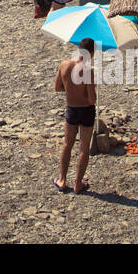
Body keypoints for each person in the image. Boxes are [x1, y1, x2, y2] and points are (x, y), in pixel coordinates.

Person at [53, 38, 96, 193]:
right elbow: (92, 99)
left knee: (67, 144)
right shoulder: (88, 71)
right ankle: (78, 184)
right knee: (84, 148)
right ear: (91, 53)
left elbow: (58, 87)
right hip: (86, 111)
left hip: (71, 109)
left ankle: (62, 180)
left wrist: (72, 90)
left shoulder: (64, 65)